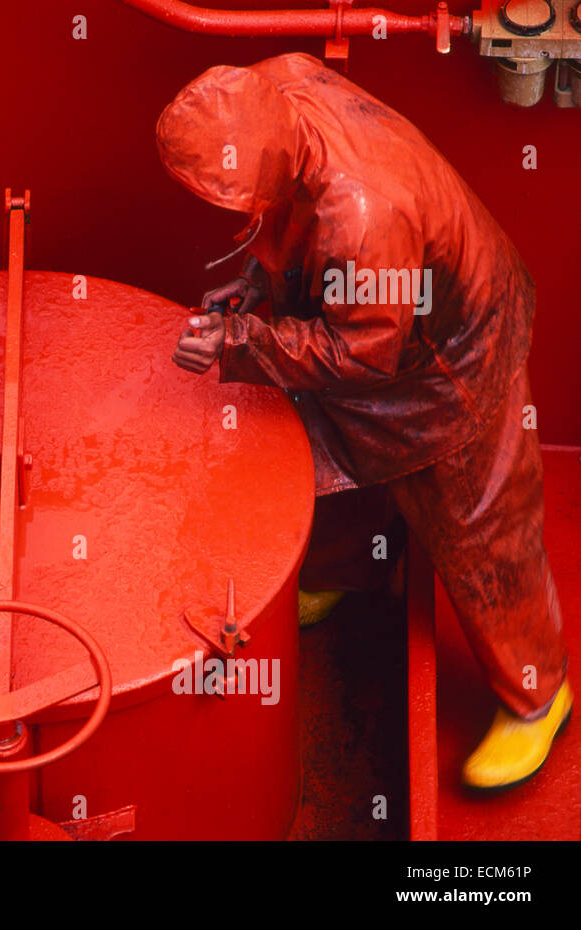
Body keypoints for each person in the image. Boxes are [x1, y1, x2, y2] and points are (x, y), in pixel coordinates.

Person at [157, 52, 570, 790]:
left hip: (450, 364)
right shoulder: (279, 84)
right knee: (328, 450)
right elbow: (300, 243)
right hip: (370, 315)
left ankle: (537, 695)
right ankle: (351, 569)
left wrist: (240, 341)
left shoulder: (363, 216)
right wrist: (253, 294)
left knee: (481, 527)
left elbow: (362, 359)